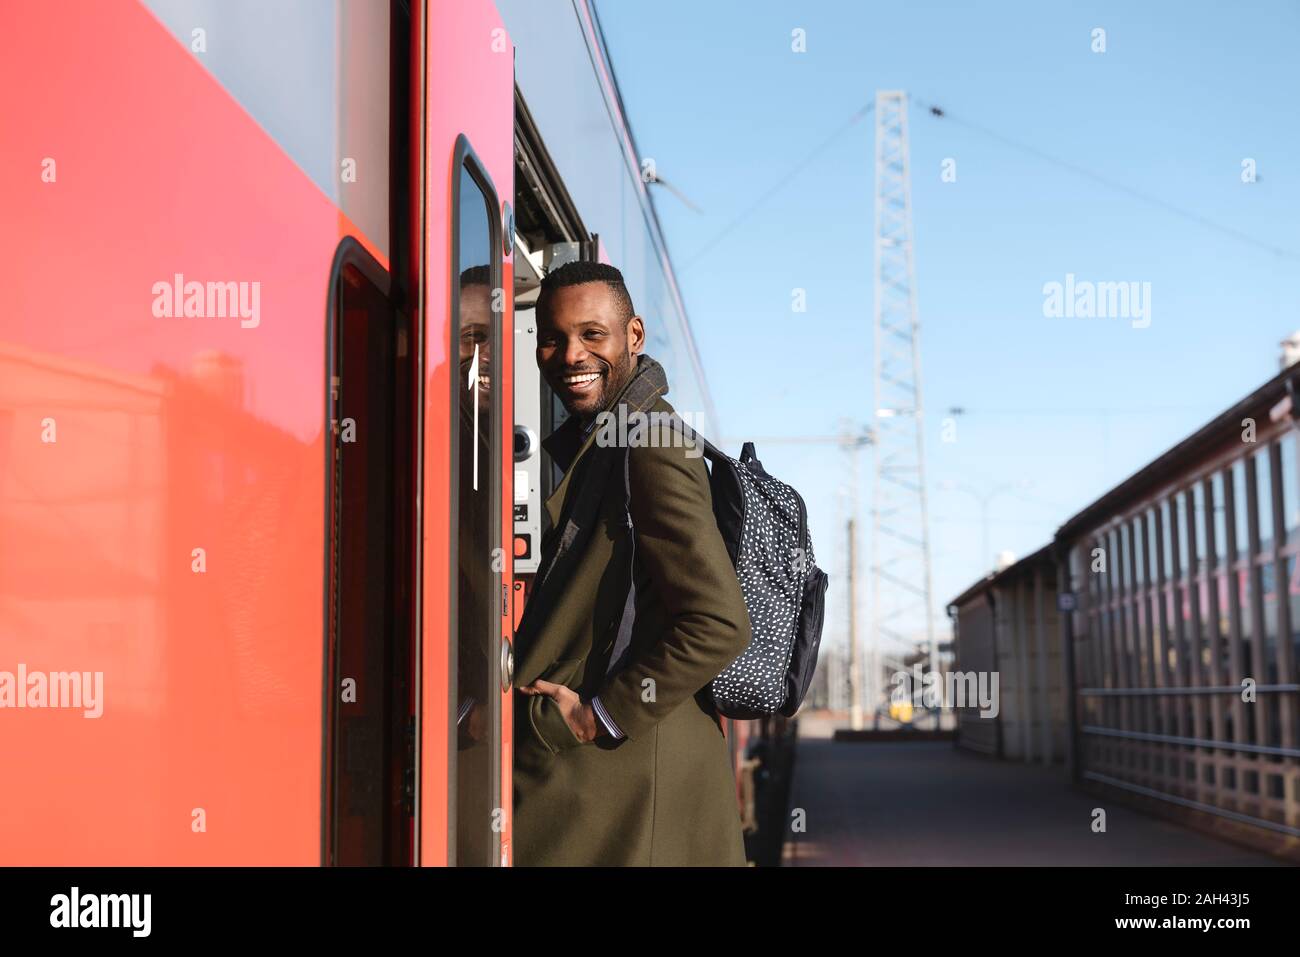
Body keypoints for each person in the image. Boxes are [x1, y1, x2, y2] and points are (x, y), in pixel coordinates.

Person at [512, 260, 751, 866]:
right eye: (553, 338)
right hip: (614, 792)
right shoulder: (609, 441)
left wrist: (599, 717)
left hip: (628, 793)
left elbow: (718, 622)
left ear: (633, 336)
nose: (570, 355)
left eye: (593, 335)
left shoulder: (651, 443)